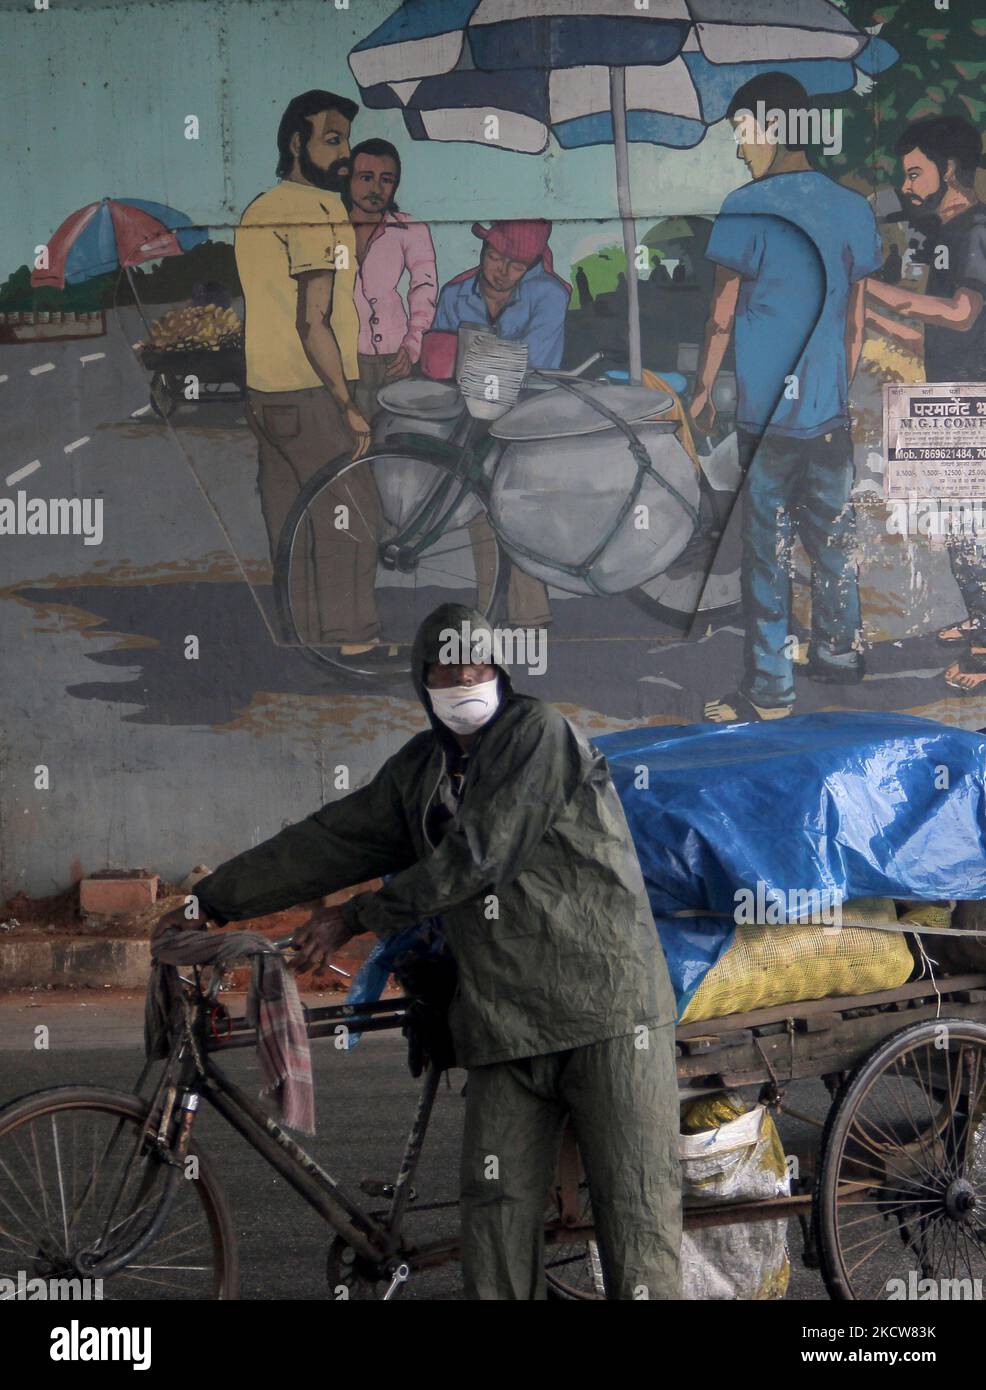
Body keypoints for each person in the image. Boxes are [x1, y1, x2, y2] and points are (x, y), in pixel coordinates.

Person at [154, 601, 682, 1302]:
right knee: (493, 1230)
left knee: (636, 1225)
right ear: (422, 677)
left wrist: (356, 916)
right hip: (504, 1027)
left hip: (609, 1016)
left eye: (479, 662)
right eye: (448, 664)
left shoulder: (538, 735)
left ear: (501, 667)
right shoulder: (421, 772)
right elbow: (329, 840)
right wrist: (212, 900)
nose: (466, 676)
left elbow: (479, 855)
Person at [690, 73, 884, 722]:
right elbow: (855, 324)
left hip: (766, 419)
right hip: (827, 413)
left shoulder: (746, 207)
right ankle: (839, 656)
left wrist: (700, 392)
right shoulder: (852, 207)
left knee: (767, 557)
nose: (741, 150)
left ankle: (770, 693)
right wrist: (833, 382)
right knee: (833, 543)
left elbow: (721, 315)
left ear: (773, 128)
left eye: (743, 134)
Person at [235, 90, 388, 663]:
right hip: (312, 389)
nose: (345, 154)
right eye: (333, 140)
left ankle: (302, 634)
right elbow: (313, 319)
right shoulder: (315, 211)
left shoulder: (259, 208)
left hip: (265, 394)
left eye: (346, 139)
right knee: (355, 512)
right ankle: (352, 638)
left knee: (291, 515)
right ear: (296, 143)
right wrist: (346, 402)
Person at [865, 115, 986, 695]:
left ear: (951, 170)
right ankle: (976, 614)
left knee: (971, 525)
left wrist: (875, 290)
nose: (907, 186)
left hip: (974, 397)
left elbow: (963, 314)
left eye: (915, 173)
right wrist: (871, 314)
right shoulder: (941, 236)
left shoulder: (978, 229)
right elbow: (929, 333)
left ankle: (985, 645)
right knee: (954, 523)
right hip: (946, 395)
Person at [434, 220, 571, 628]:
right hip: (466, 413)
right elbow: (439, 358)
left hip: (527, 414)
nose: (500, 270)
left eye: (514, 264)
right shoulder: (455, 293)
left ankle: (528, 611)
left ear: (530, 266)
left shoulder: (549, 295)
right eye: (493, 256)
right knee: (480, 504)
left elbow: (538, 366)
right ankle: (493, 605)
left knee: (517, 504)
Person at [344, 138, 438, 425]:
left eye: (386, 180)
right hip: (342, 360)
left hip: (393, 359)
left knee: (391, 438)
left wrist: (412, 345)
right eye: (366, 177)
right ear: (348, 179)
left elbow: (425, 288)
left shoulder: (409, 229)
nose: (375, 188)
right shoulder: (326, 227)